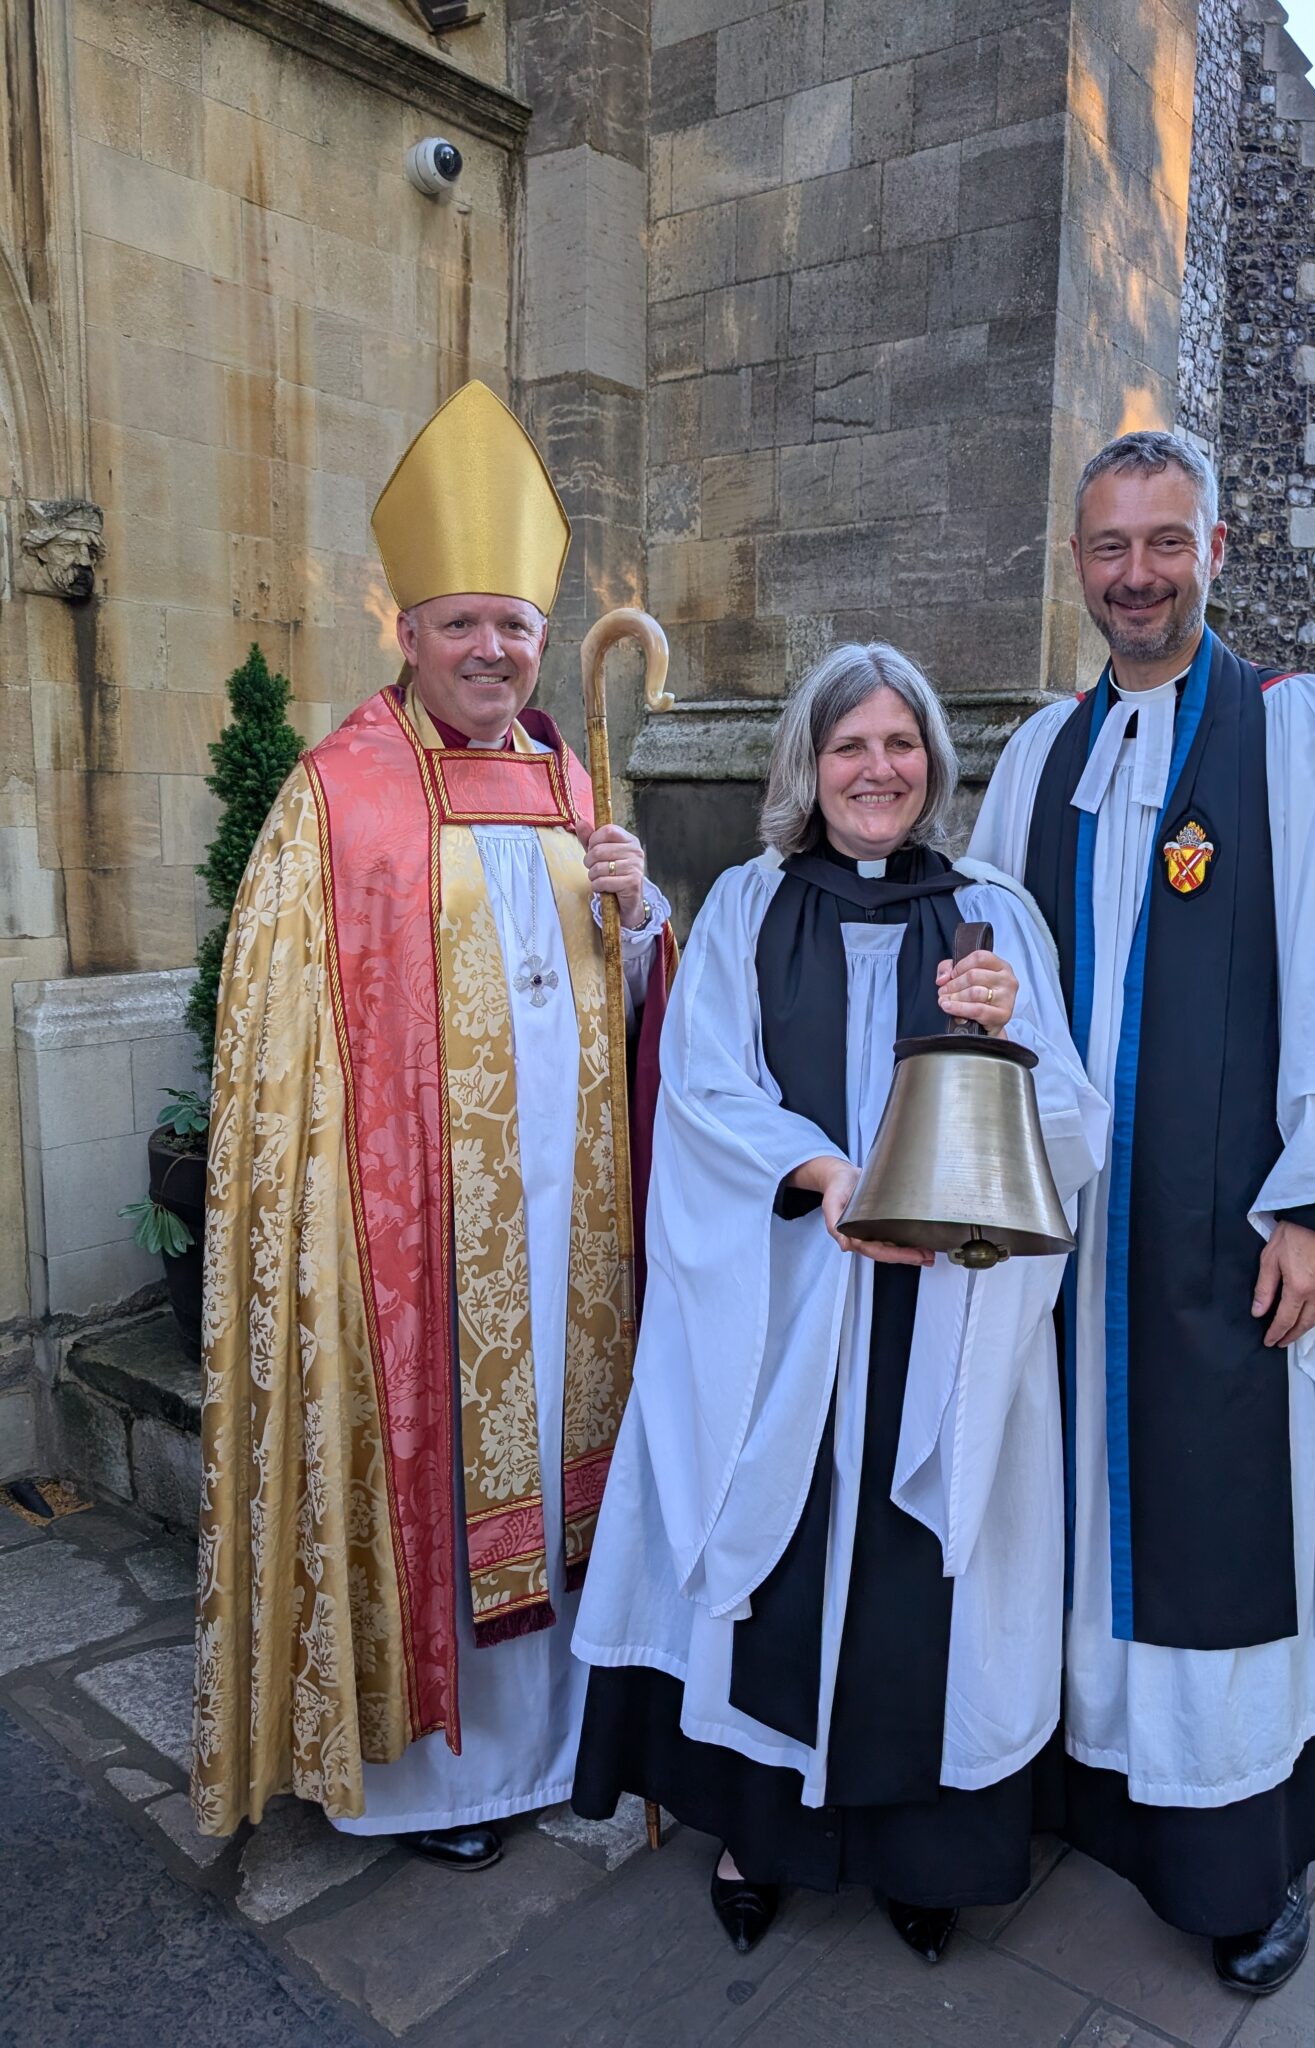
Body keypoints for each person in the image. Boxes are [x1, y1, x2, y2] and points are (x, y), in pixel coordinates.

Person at [970, 430, 1315, 1991]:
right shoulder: (1037, 759)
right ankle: (1088, 1795)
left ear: (1210, 548)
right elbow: (988, 967)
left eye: (1163, 542)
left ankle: (1238, 1859)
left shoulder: (1299, 733)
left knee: (1225, 1539)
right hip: (1070, 1244)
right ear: (1077, 564)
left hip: (1230, 1241)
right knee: (1072, 1525)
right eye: (1108, 546)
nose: (1136, 573)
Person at [191, 382, 673, 1867]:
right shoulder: (337, 798)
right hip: (416, 1232)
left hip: (565, 1222)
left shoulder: (569, 776)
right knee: (443, 1467)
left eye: (513, 628)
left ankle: (557, 1736)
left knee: (560, 1458)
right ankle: (428, 1778)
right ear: (403, 631)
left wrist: (642, 913)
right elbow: (281, 1045)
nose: (491, 651)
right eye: (461, 624)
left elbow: (627, 994)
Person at [570, 644, 1108, 1962]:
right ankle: (758, 1835)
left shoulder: (995, 914)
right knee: (786, 1564)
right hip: (794, 1310)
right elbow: (702, 1096)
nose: (877, 770)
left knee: (921, 1579)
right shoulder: (752, 905)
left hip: (943, 1318)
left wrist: (1005, 1036)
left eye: (900, 744)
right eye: (848, 746)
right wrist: (825, 1182)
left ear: (934, 762)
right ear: (805, 769)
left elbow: (1070, 1129)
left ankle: (919, 1854)